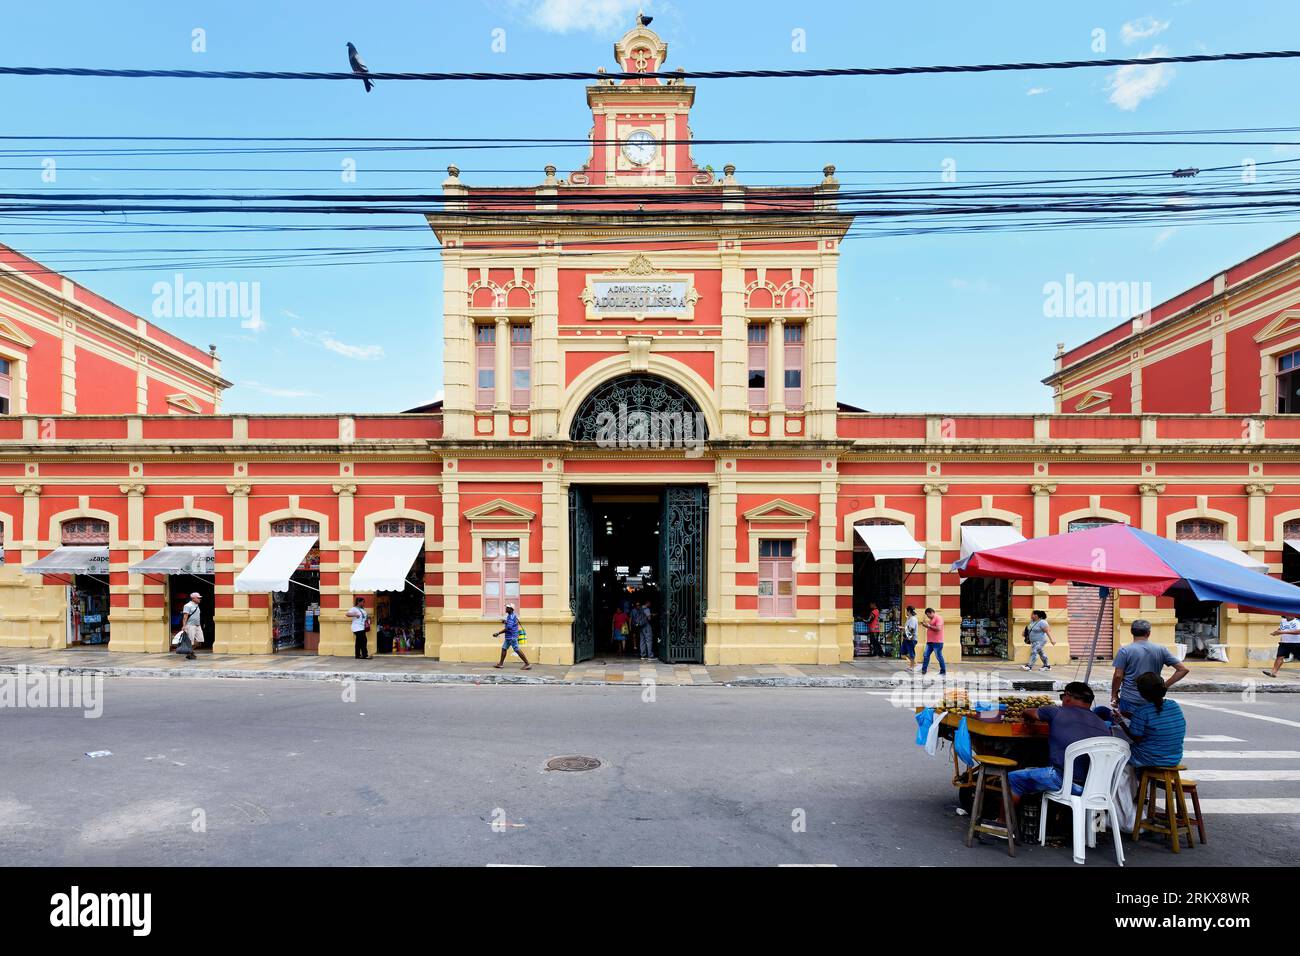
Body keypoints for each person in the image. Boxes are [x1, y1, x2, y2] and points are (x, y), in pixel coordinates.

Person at [1007, 682, 1112, 803]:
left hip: (1063, 781)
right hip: (1096, 788)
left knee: (1012, 779)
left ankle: (1002, 821)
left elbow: (1027, 712)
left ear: (1067, 697)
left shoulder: (1055, 711)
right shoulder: (1102, 724)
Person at [1111, 619, 1189, 715]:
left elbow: (1118, 676)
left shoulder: (1124, 651)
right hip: (1152, 698)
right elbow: (1183, 670)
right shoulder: (1161, 649)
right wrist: (1164, 686)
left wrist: (1114, 695)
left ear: (1132, 632)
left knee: (1129, 727)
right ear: (1148, 633)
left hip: (1130, 698)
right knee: (1149, 727)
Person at [1119, 672, 1187, 769]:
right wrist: (1133, 717)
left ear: (1142, 693)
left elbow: (1136, 738)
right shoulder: (1173, 705)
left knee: (1119, 751)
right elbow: (1156, 720)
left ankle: (1134, 780)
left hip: (1149, 759)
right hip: (1173, 758)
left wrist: (1121, 722)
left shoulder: (1142, 711)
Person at [492, 603, 532, 669]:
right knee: (504, 648)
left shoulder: (511, 616)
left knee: (517, 649)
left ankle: (527, 664)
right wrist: (505, 622)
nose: (506, 609)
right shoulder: (511, 616)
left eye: (507, 608)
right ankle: (501, 664)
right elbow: (511, 624)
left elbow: (508, 628)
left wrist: (498, 633)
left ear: (511, 609)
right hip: (509, 637)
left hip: (512, 637)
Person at [175, 591, 203, 661]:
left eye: (200, 598)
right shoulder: (187, 605)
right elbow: (185, 616)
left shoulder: (196, 605)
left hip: (197, 625)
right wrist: (184, 626)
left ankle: (189, 652)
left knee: (200, 640)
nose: (200, 599)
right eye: (198, 598)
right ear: (193, 598)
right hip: (190, 626)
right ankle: (190, 653)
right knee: (191, 641)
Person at [921, 607, 946, 676]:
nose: (927, 616)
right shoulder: (932, 619)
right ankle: (924, 670)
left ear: (931, 612)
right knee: (926, 655)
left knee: (939, 656)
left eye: (928, 614)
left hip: (937, 642)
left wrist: (928, 625)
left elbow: (938, 628)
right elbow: (931, 627)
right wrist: (926, 626)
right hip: (930, 641)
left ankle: (943, 671)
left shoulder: (938, 618)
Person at [899, 605, 919, 670]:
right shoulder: (909, 618)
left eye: (906, 611)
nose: (906, 612)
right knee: (903, 652)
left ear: (909, 611)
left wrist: (902, 628)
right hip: (906, 638)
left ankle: (912, 666)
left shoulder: (913, 619)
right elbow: (908, 628)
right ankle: (913, 663)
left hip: (911, 639)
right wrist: (903, 628)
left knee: (911, 652)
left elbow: (911, 629)